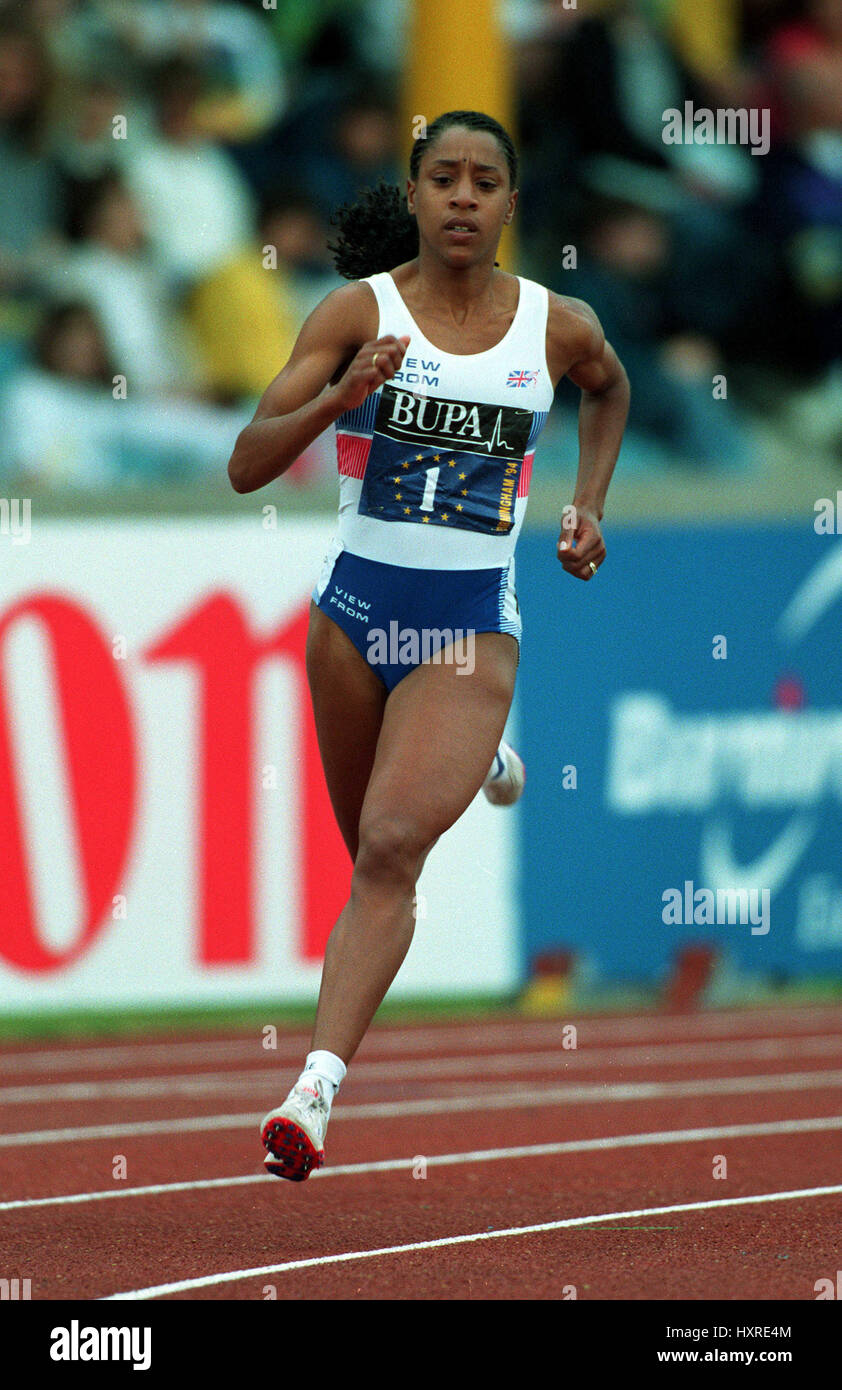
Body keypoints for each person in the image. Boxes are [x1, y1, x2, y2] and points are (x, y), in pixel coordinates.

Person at [226, 110, 629, 1181]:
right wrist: (337, 400)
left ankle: (311, 1091)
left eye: (482, 180)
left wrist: (586, 506)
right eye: (440, 178)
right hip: (350, 624)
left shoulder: (554, 324)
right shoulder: (354, 311)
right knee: (364, 844)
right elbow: (244, 463)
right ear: (410, 195)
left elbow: (609, 386)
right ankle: (481, 761)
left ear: (508, 203)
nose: (460, 196)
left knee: (394, 845)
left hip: (465, 630)